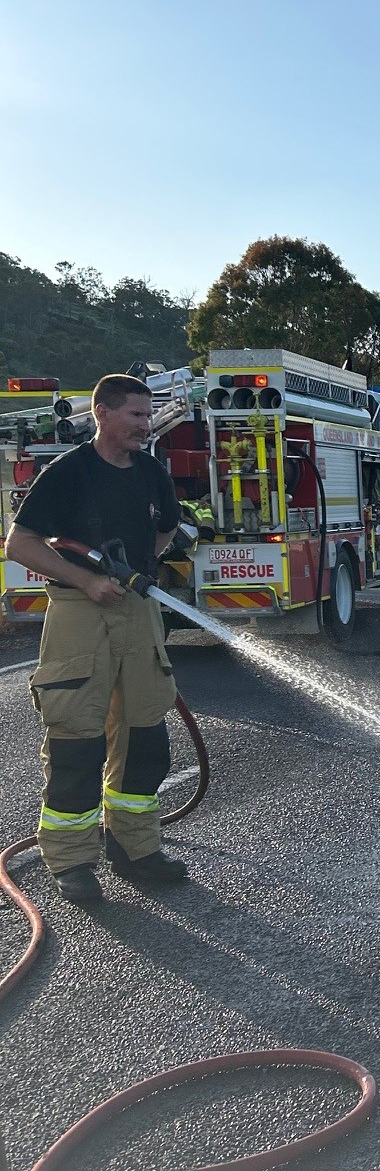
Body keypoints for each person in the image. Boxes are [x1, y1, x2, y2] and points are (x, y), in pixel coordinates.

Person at [5, 374, 188, 902]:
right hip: (79, 613)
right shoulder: (68, 473)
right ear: (103, 413)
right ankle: (71, 862)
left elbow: (167, 527)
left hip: (136, 612)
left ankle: (135, 849)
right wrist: (87, 579)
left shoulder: (152, 472)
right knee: (76, 742)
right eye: (134, 415)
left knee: (145, 735)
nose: (145, 425)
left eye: (147, 415)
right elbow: (20, 544)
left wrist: (138, 566)